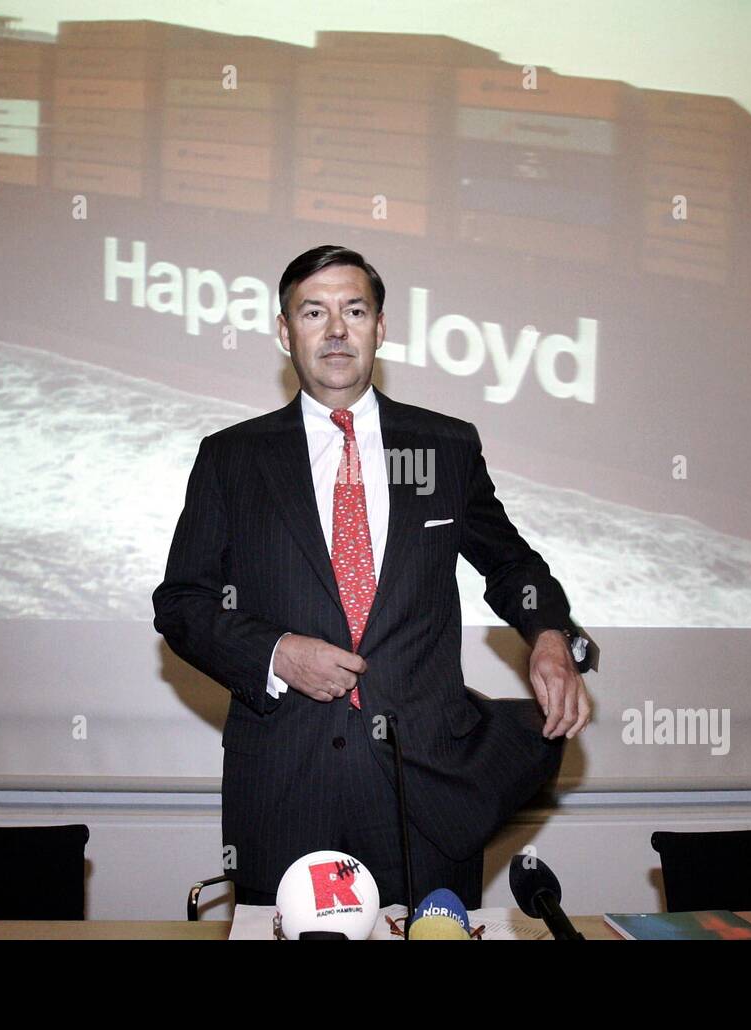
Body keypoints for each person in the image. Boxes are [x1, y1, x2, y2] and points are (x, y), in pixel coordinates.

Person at [153, 244, 594, 908]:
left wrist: (551, 637)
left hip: (425, 794)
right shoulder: (231, 459)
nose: (335, 330)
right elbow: (181, 603)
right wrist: (278, 653)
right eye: (313, 312)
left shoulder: (445, 448)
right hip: (285, 791)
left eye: (354, 310)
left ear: (380, 328)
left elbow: (513, 566)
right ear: (284, 332)